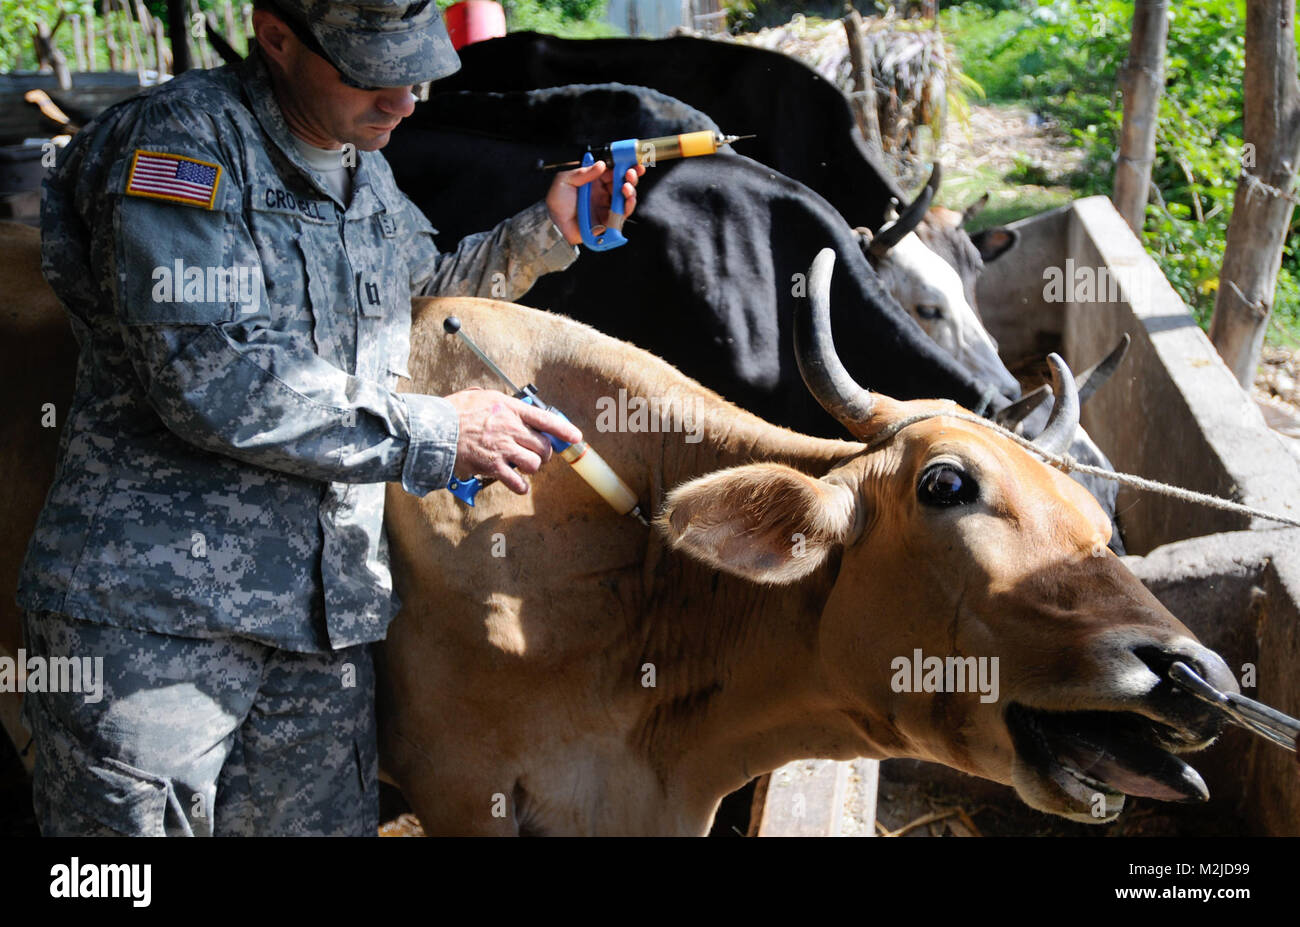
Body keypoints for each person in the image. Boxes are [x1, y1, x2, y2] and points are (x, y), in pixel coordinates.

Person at [17, 0, 644, 836]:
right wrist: (440, 431)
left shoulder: (358, 160)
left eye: (411, 71)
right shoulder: (178, 149)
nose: (404, 101)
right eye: (370, 71)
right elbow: (211, 375)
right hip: (155, 630)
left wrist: (543, 232)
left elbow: (414, 290)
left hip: (317, 631)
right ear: (276, 35)